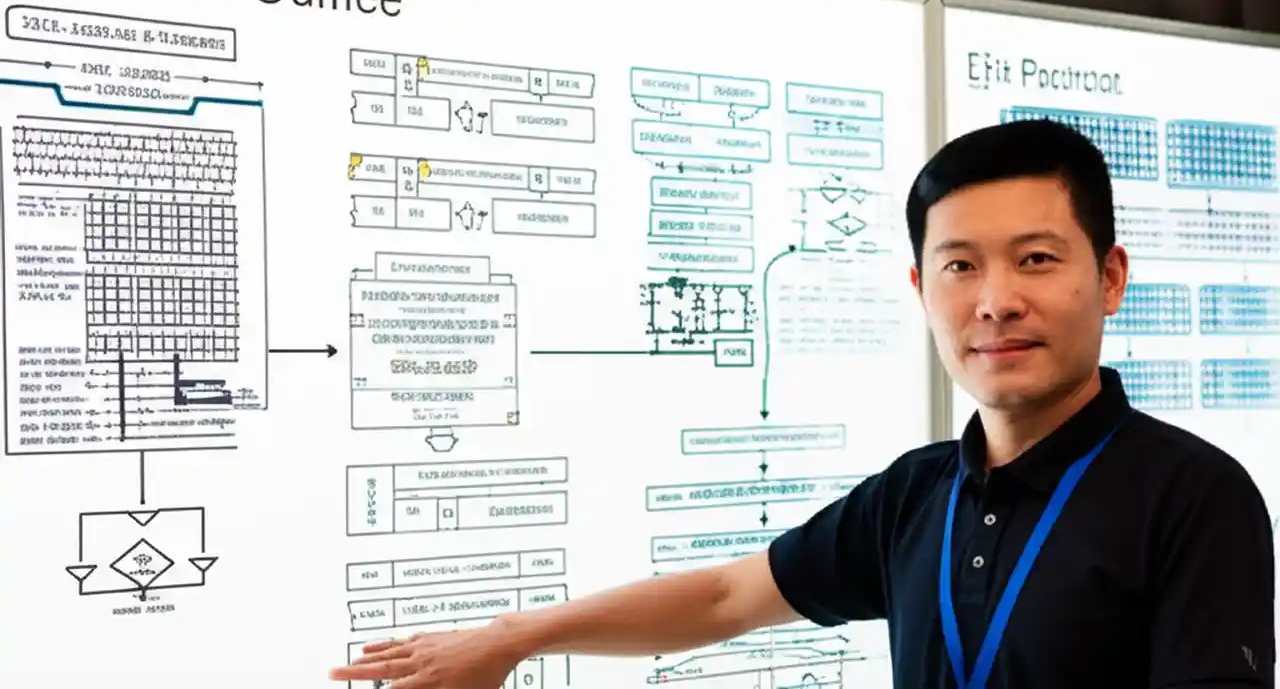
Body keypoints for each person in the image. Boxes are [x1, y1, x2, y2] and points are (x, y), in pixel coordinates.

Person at [328, 119, 1276, 688]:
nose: (994, 301)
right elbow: (728, 596)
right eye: (960, 267)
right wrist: (514, 638)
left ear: (1109, 278)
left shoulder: (1191, 495)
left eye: (1036, 259)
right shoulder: (916, 497)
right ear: (921, 289)